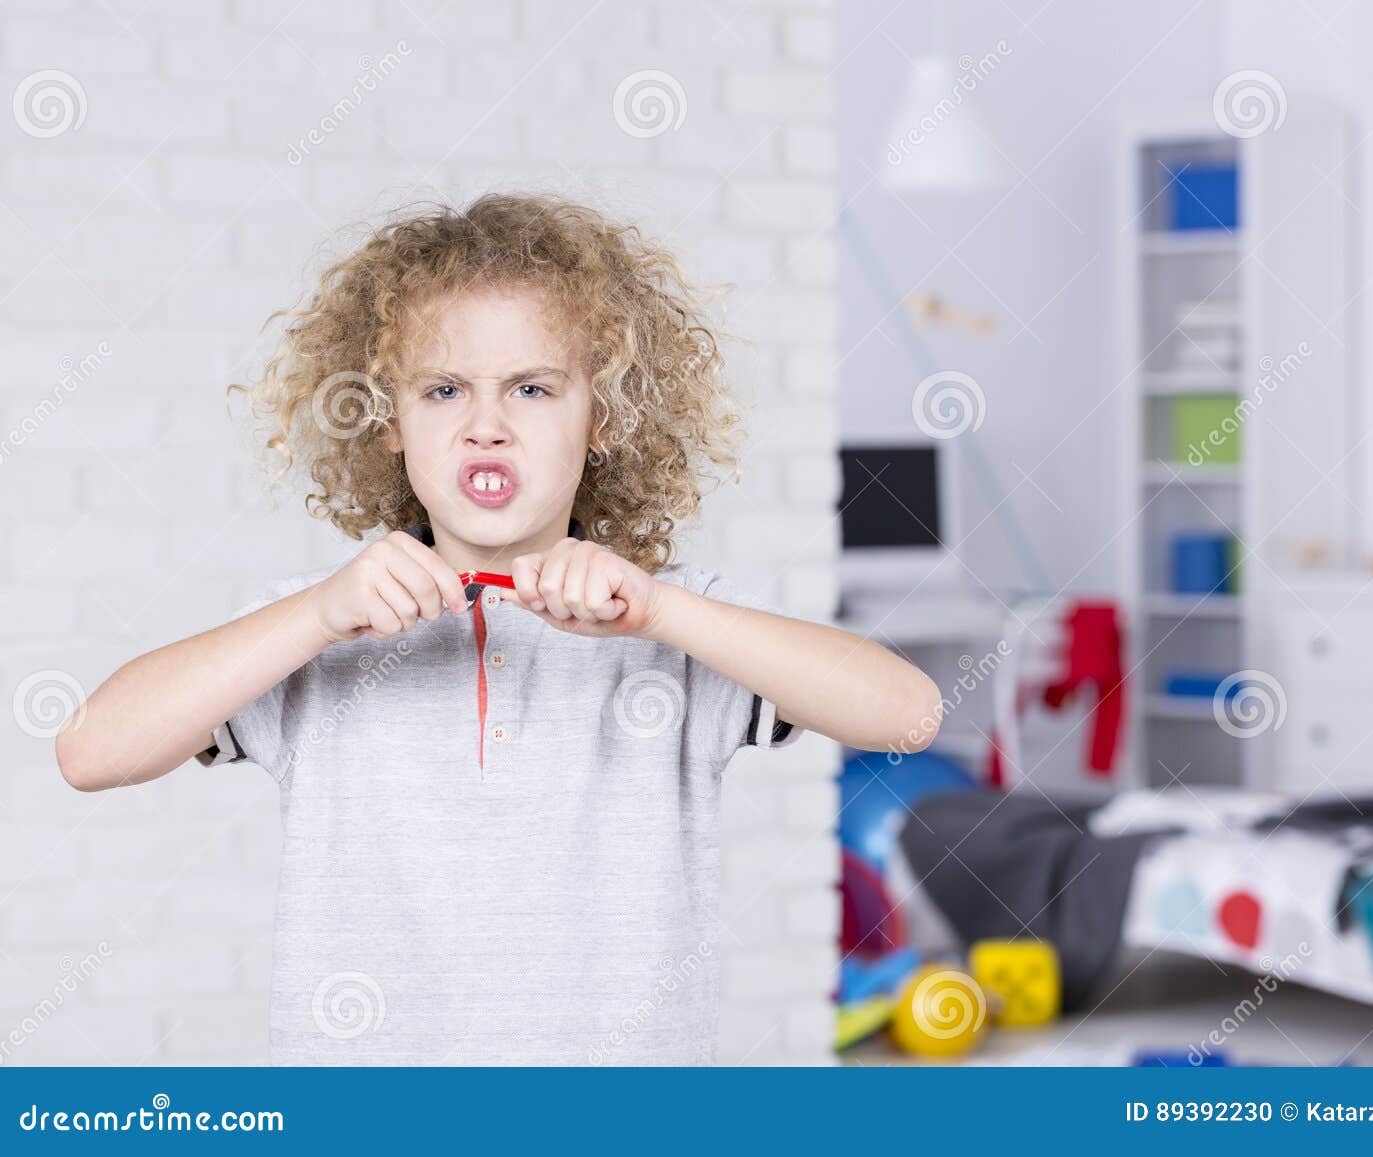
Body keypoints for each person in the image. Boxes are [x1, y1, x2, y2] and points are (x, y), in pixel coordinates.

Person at [55, 193, 942, 1065]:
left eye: (531, 388)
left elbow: (909, 714)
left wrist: (665, 612)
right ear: (390, 421)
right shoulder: (318, 625)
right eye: (443, 390)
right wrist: (317, 615)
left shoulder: (671, 628)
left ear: (600, 418)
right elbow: (90, 753)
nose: (486, 426)